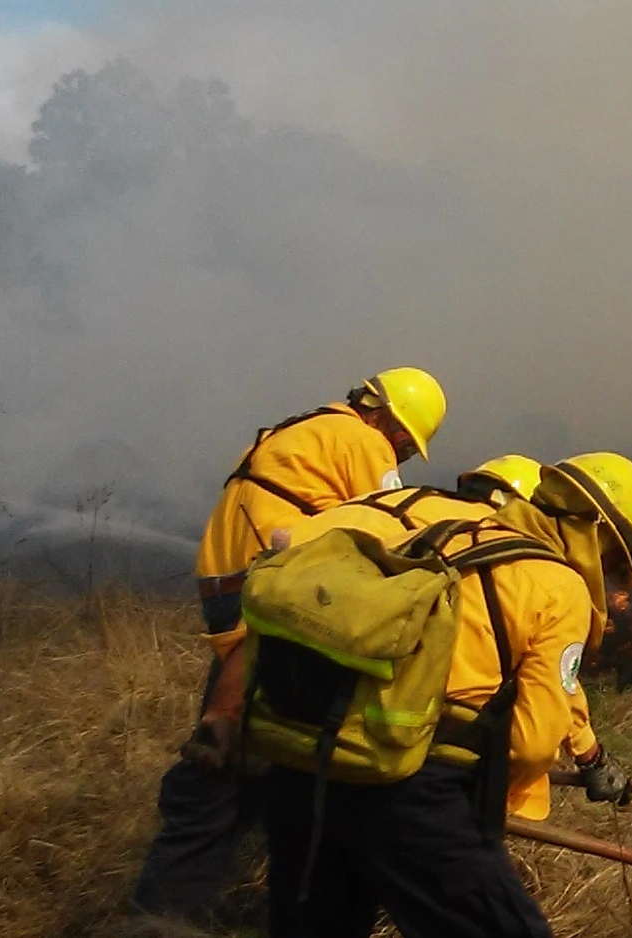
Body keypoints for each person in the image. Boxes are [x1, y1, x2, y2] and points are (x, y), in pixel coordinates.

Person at [257, 452, 632, 938]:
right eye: (614, 560)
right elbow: (531, 743)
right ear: (596, 534)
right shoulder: (558, 586)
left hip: (305, 758)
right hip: (409, 789)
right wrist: (487, 809)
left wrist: (590, 751)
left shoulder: (439, 528)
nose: (608, 576)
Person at [129, 367, 448, 924]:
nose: (398, 452)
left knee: (265, 754)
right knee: (227, 760)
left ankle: (201, 894)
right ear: (384, 417)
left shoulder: (300, 431)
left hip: (233, 588)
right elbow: (397, 523)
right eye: (403, 441)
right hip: (276, 596)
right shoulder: (360, 440)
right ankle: (161, 915)